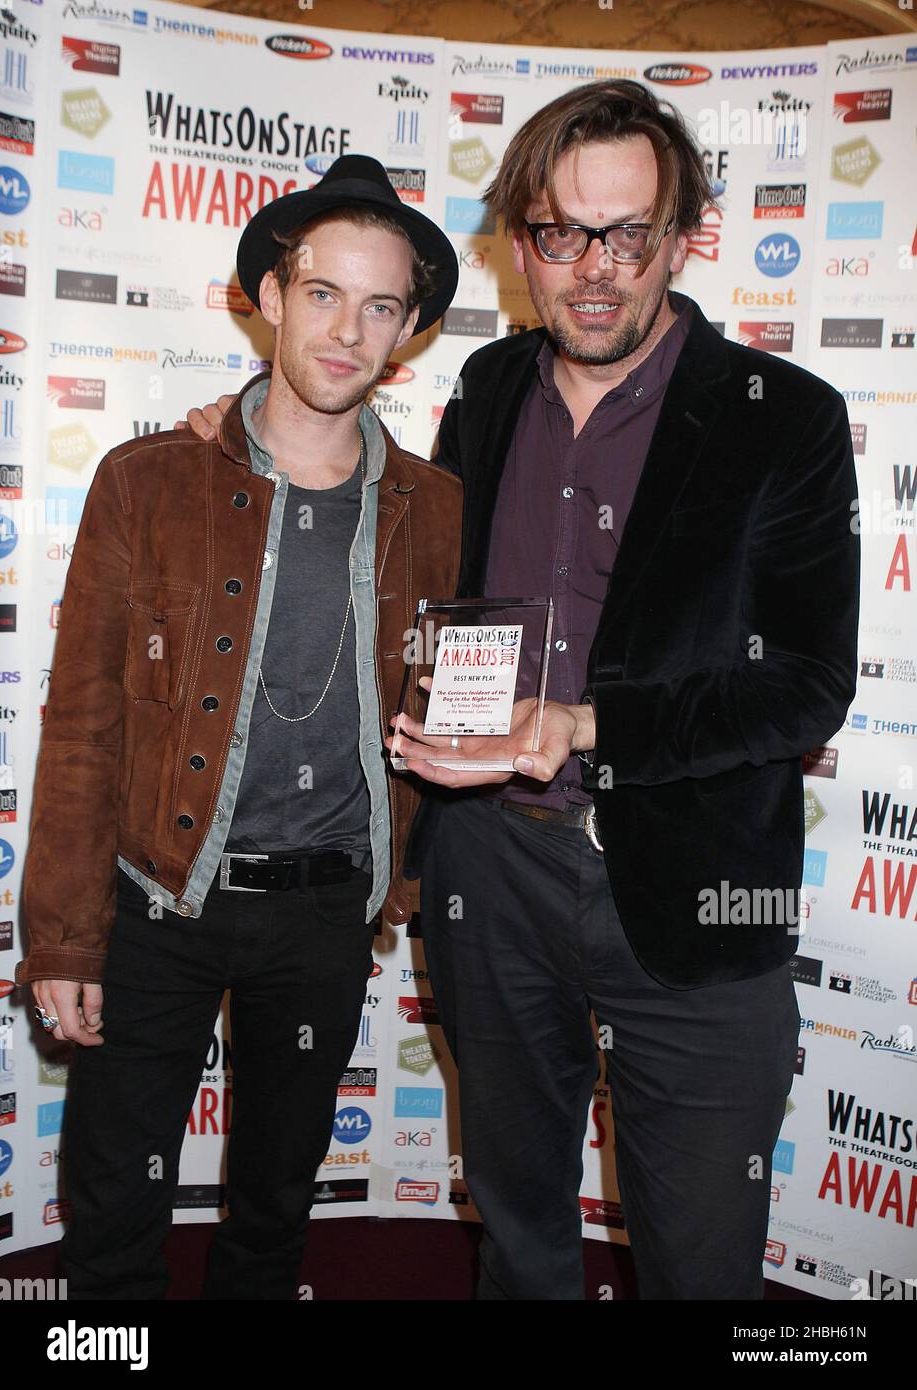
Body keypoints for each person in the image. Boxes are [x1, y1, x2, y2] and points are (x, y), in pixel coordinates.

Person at [186, 81, 860, 1301]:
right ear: (519, 247)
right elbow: (398, 551)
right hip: (488, 869)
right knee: (519, 1227)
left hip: (692, 889)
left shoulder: (784, 420)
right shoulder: (487, 391)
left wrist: (583, 725)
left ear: (680, 235)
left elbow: (804, 690)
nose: (593, 269)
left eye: (628, 234)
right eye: (560, 234)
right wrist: (236, 437)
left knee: (702, 1260)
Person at [15, 155, 462, 1300]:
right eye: (321, 293)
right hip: (158, 895)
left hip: (325, 908)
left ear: (407, 329)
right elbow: (82, 722)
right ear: (268, 293)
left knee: (275, 1198)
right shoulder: (147, 480)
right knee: (116, 1199)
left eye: (379, 306)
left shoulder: (439, 506)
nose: (346, 330)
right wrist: (62, 935)